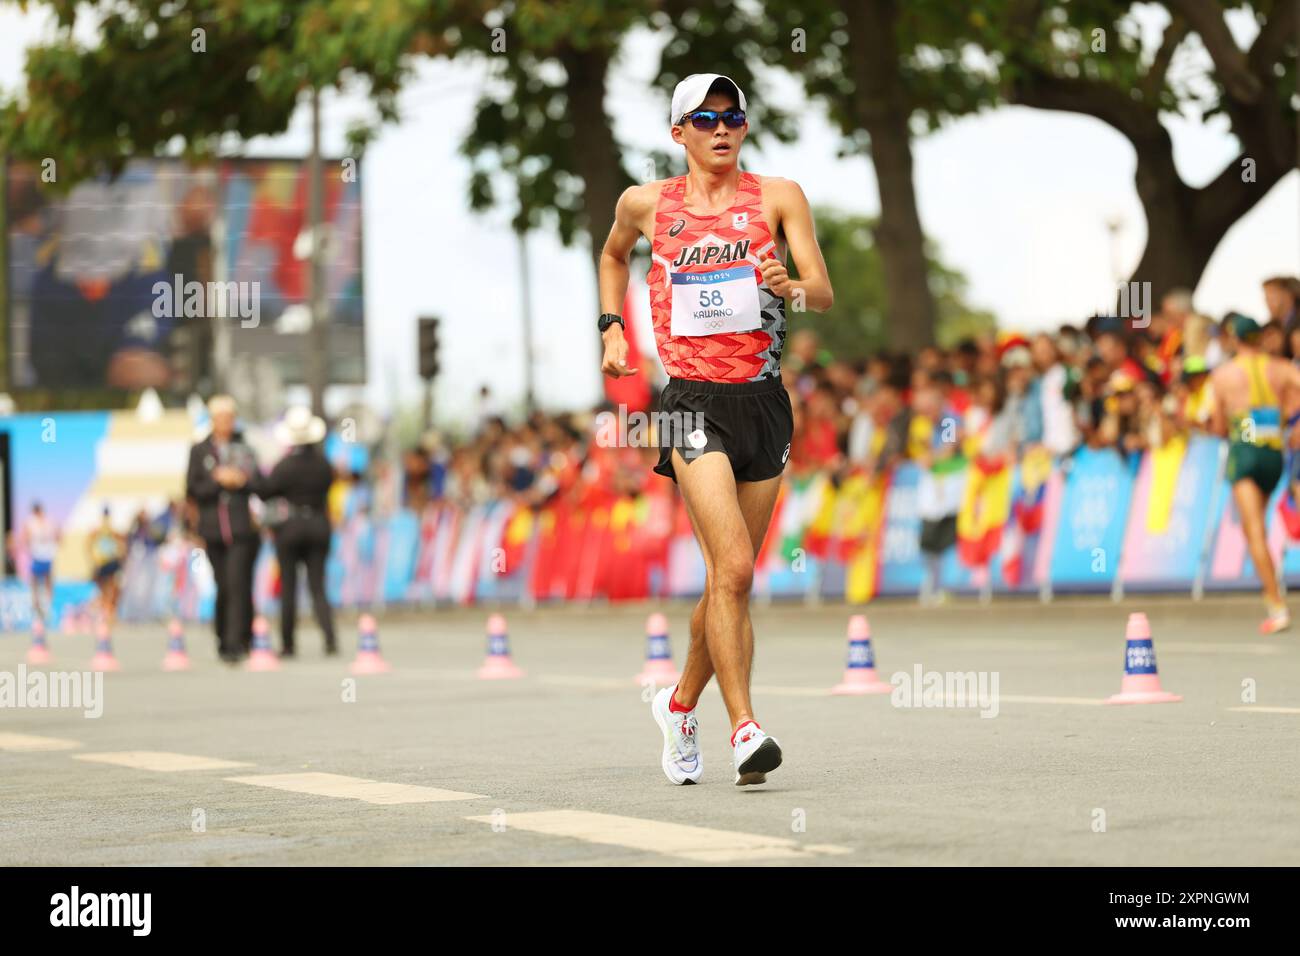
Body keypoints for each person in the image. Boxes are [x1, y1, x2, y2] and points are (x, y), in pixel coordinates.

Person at [598, 72, 833, 786]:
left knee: (727, 583)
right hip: (690, 403)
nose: (722, 127)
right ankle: (744, 728)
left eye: (733, 116)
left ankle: (677, 704)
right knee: (731, 567)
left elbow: (820, 291)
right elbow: (612, 257)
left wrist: (789, 284)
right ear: (680, 134)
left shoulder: (781, 196)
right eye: (705, 118)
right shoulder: (645, 205)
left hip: (763, 400)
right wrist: (612, 330)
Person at [1209, 315, 1300, 634]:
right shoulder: (1280, 368)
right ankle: (1274, 600)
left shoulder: (1223, 375)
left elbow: (1219, 426)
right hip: (1273, 451)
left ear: (1235, 339)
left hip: (1245, 449)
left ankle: (1276, 606)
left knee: (1255, 530)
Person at [186, 395, 263, 663]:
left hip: (242, 529)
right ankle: (223, 637)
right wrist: (218, 481)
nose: (226, 423)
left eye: (230, 418)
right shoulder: (200, 451)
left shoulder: (245, 449)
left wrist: (240, 480)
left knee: (238, 583)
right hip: (213, 530)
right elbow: (193, 490)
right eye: (221, 418)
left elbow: (261, 485)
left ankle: (238, 640)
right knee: (223, 586)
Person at [263, 406, 338, 657]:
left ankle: (287, 643)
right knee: (318, 585)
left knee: (289, 587)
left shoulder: (285, 466)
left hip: (292, 527)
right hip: (318, 524)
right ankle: (329, 638)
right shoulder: (324, 464)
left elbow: (267, 491)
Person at [87, 507, 124, 627]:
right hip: (104, 562)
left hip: (108, 562)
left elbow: (120, 541)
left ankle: (108, 614)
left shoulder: (106, 529)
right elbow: (90, 543)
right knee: (107, 590)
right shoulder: (104, 529)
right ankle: (106, 614)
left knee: (110, 590)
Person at [22, 502, 58, 623]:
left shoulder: (47, 522)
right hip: (38, 555)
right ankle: (37, 606)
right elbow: (25, 537)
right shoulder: (31, 523)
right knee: (36, 582)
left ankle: (46, 606)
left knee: (45, 581)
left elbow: (57, 535)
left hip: (46, 555)